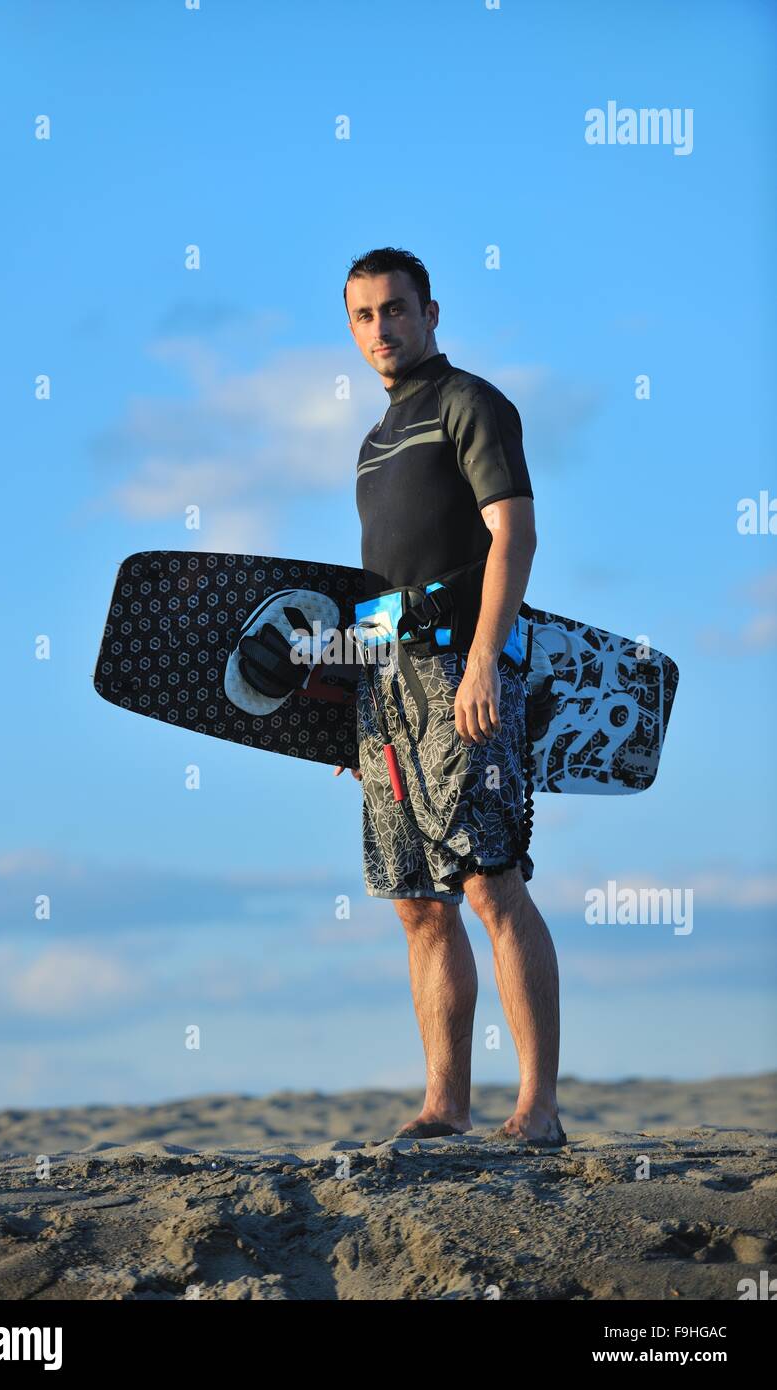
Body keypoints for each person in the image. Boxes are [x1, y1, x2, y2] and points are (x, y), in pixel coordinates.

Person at [334, 247, 566, 1146]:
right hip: (387, 684)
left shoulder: (470, 403)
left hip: (459, 670)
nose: (381, 329)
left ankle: (537, 1108)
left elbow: (515, 535)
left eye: (395, 310)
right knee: (415, 900)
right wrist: (351, 718)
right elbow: (380, 584)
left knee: (490, 881)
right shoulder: (374, 442)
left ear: (431, 313)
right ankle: (445, 1107)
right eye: (363, 316)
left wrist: (481, 661)